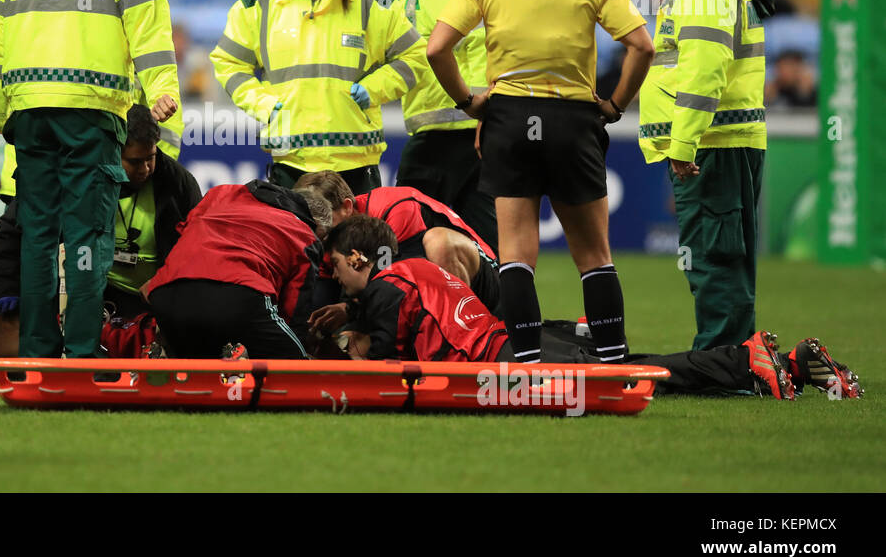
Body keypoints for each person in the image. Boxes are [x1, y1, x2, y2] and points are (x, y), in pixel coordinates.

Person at [426, 0, 654, 365]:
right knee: (594, 256)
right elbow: (642, 46)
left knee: (515, 254)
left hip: (509, 118)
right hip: (574, 118)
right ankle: (614, 365)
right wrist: (614, 105)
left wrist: (469, 102)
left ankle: (527, 366)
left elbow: (436, 48)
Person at [328, 215, 861, 400]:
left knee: (641, 374)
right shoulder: (419, 267)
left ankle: (751, 362)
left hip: (508, 364)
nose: (334, 279)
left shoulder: (382, 291)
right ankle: (780, 364)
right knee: (634, 366)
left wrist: (347, 346)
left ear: (357, 258)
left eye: (336, 267)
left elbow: (390, 373)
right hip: (528, 337)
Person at [0, 0, 180, 360]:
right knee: (87, 234)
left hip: (27, 111)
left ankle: (36, 351)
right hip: (90, 112)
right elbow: (148, 25)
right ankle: (84, 351)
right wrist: (160, 89)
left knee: (38, 233)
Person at [0, 105, 201, 369]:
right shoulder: (74, 175)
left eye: (151, 158)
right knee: (1, 336)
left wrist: (165, 283)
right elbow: (11, 232)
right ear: (112, 150)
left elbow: (197, 248)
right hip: (86, 293)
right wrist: (7, 292)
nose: (145, 168)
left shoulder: (178, 185)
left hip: (148, 299)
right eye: (135, 162)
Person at [639, 0, 775, 351]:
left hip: (711, 147)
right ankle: (735, 357)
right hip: (726, 142)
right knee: (725, 256)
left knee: (714, 259)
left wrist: (682, 145)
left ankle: (722, 361)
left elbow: (702, 74)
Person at [211, 0, 424, 196]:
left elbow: (416, 55)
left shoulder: (371, 1)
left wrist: (374, 89)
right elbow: (228, 63)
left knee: (361, 244)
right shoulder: (258, 5)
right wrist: (262, 103)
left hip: (358, 164)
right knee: (298, 243)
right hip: (291, 164)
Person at [375, 0, 496, 251]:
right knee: (487, 247)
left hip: (445, 134)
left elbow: (453, 48)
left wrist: (469, 102)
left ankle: (407, 307)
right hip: (465, 132)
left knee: (404, 241)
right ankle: (502, 307)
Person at [142, 182, 332, 359]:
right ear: (314, 223)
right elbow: (293, 312)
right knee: (294, 367)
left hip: (166, 293)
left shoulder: (221, 193)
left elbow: (186, 228)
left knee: (198, 372)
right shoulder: (306, 235)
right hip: (239, 296)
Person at [293, 169, 498, 321]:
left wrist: (350, 310)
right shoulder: (322, 237)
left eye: (325, 230)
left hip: (487, 287)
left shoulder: (397, 209)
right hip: (415, 296)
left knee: (438, 243)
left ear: (347, 207)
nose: (320, 240)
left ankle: (464, 334)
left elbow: (398, 284)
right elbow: (321, 298)